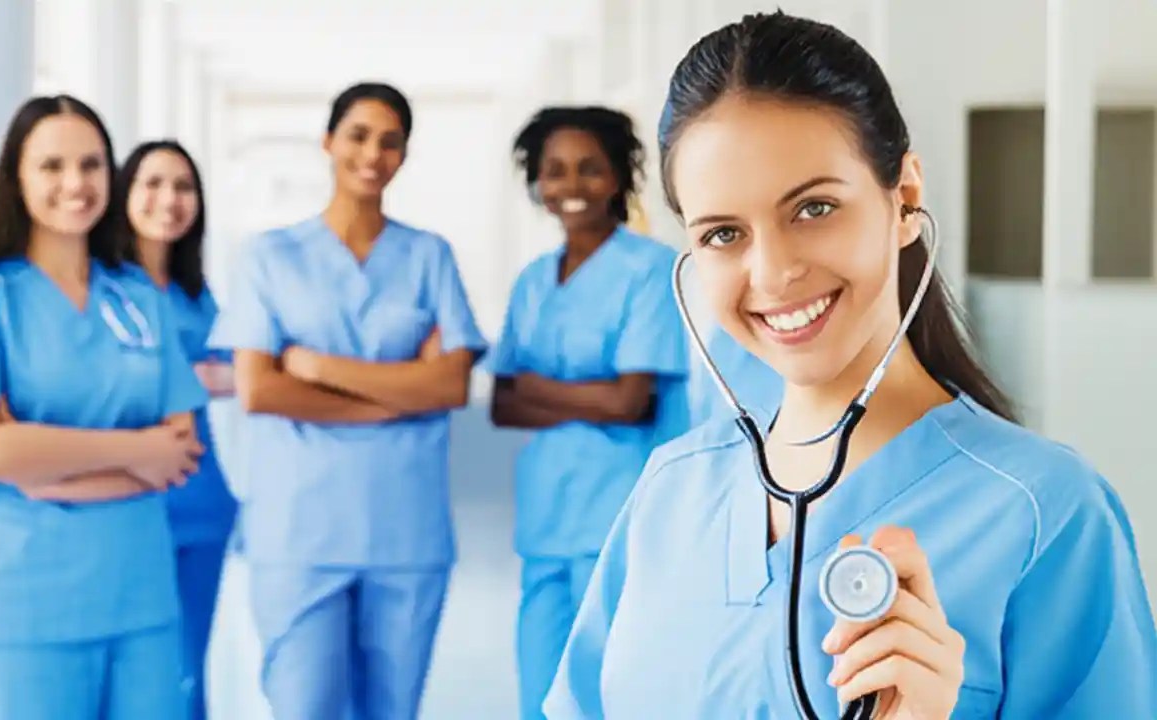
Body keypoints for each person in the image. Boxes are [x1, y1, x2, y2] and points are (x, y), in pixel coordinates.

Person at [545, 12, 1157, 719]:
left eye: (814, 208)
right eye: (722, 233)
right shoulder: (671, 490)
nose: (772, 273)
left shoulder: (1045, 513)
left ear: (905, 199)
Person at [209, 81, 488, 720]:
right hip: (300, 536)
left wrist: (314, 366)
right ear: (328, 141)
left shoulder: (428, 255)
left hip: (406, 533)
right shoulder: (269, 257)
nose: (373, 153)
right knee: (305, 707)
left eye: (390, 141)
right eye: (359, 135)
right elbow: (259, 389)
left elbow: (449, 385)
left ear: (404, 156)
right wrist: (398, 393)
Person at [0, 95, 207, 720]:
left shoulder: (136, 293)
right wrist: (136, 452)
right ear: (16, 178)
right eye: (52, 167)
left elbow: (180, 450)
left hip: (142, 596)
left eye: (92, 165)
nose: (75, 184)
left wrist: (45, 469)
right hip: (28, 600)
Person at [489, 106, 689, 720]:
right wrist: (588, 393)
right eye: (554, 171)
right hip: (546, 522)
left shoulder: (651, 270)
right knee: (540, 698)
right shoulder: (531, 281)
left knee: (611, 696)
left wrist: (538, 386)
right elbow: (501, 404)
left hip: (619, 515)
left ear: (617, 179)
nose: (570, 186)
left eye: (588, 169)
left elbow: (630, 401)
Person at [119, 139, 237, 720]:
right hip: (126, 500)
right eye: (154, 183)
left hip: (202, 500)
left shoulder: (197, 294)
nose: (170, 199)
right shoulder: (101, 287)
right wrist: (195, 376)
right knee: (136, 671)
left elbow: (239, 375)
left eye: (184, 187)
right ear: (125, 194)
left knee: (187, 670)